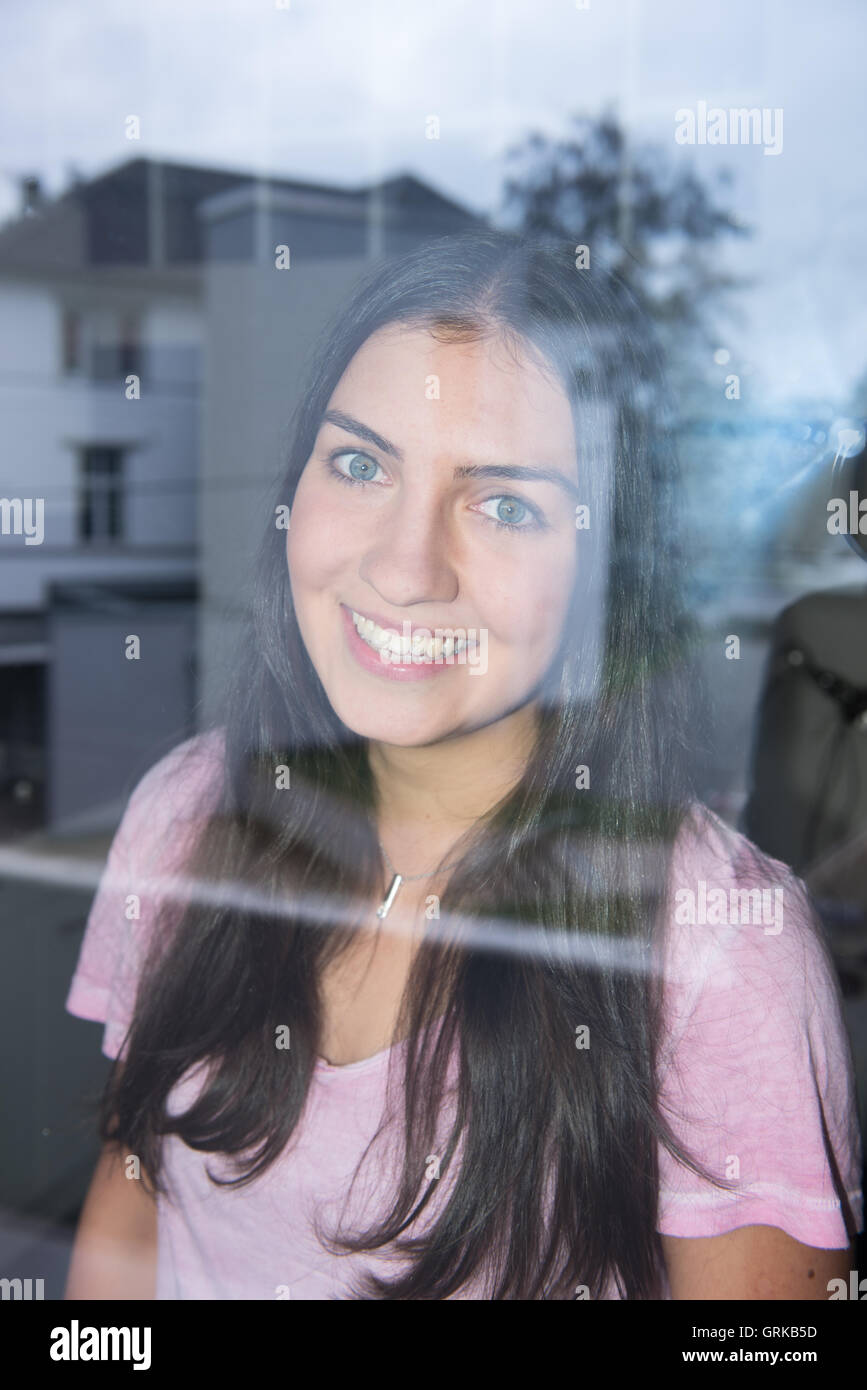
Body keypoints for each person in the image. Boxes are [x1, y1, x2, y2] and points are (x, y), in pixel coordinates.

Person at [64, 229, 862, 1300]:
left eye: (503, 504)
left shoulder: (719, 950)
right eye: (359, 463)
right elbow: (133, 1195)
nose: (404, 566)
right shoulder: (187, 811)